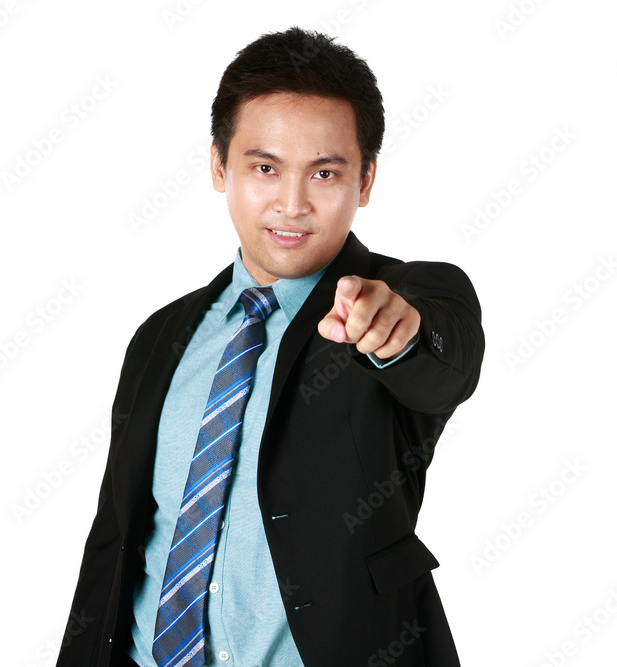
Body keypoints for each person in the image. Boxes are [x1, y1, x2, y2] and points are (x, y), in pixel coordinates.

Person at [56, 27, 483, 667]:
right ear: (217, 166)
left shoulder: (404, 296)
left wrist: (398, 333)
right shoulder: (160, 337)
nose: (291, 204)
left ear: (365, 180)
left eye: (325, 172)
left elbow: (440, 367)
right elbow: (116, 539)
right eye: (265, 168)